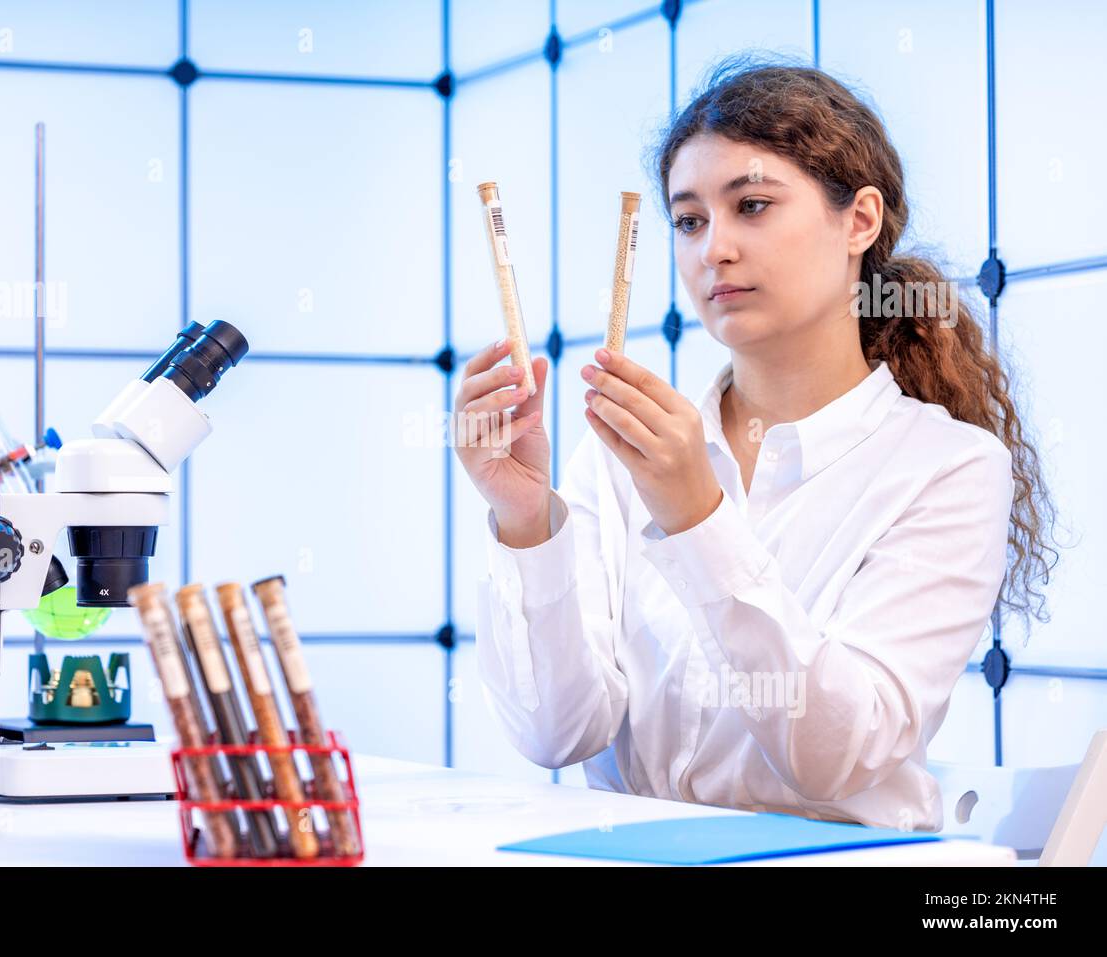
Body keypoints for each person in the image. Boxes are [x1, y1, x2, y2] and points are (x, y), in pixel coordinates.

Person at [453, 59, 1057, 831]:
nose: (715, 250)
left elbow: (835, 757)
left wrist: (698, 519)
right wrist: (526, 523)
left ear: (859, 221)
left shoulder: (950, 469)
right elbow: (558, 735)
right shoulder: (622, 447)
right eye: (690, 220)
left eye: (754, 205)